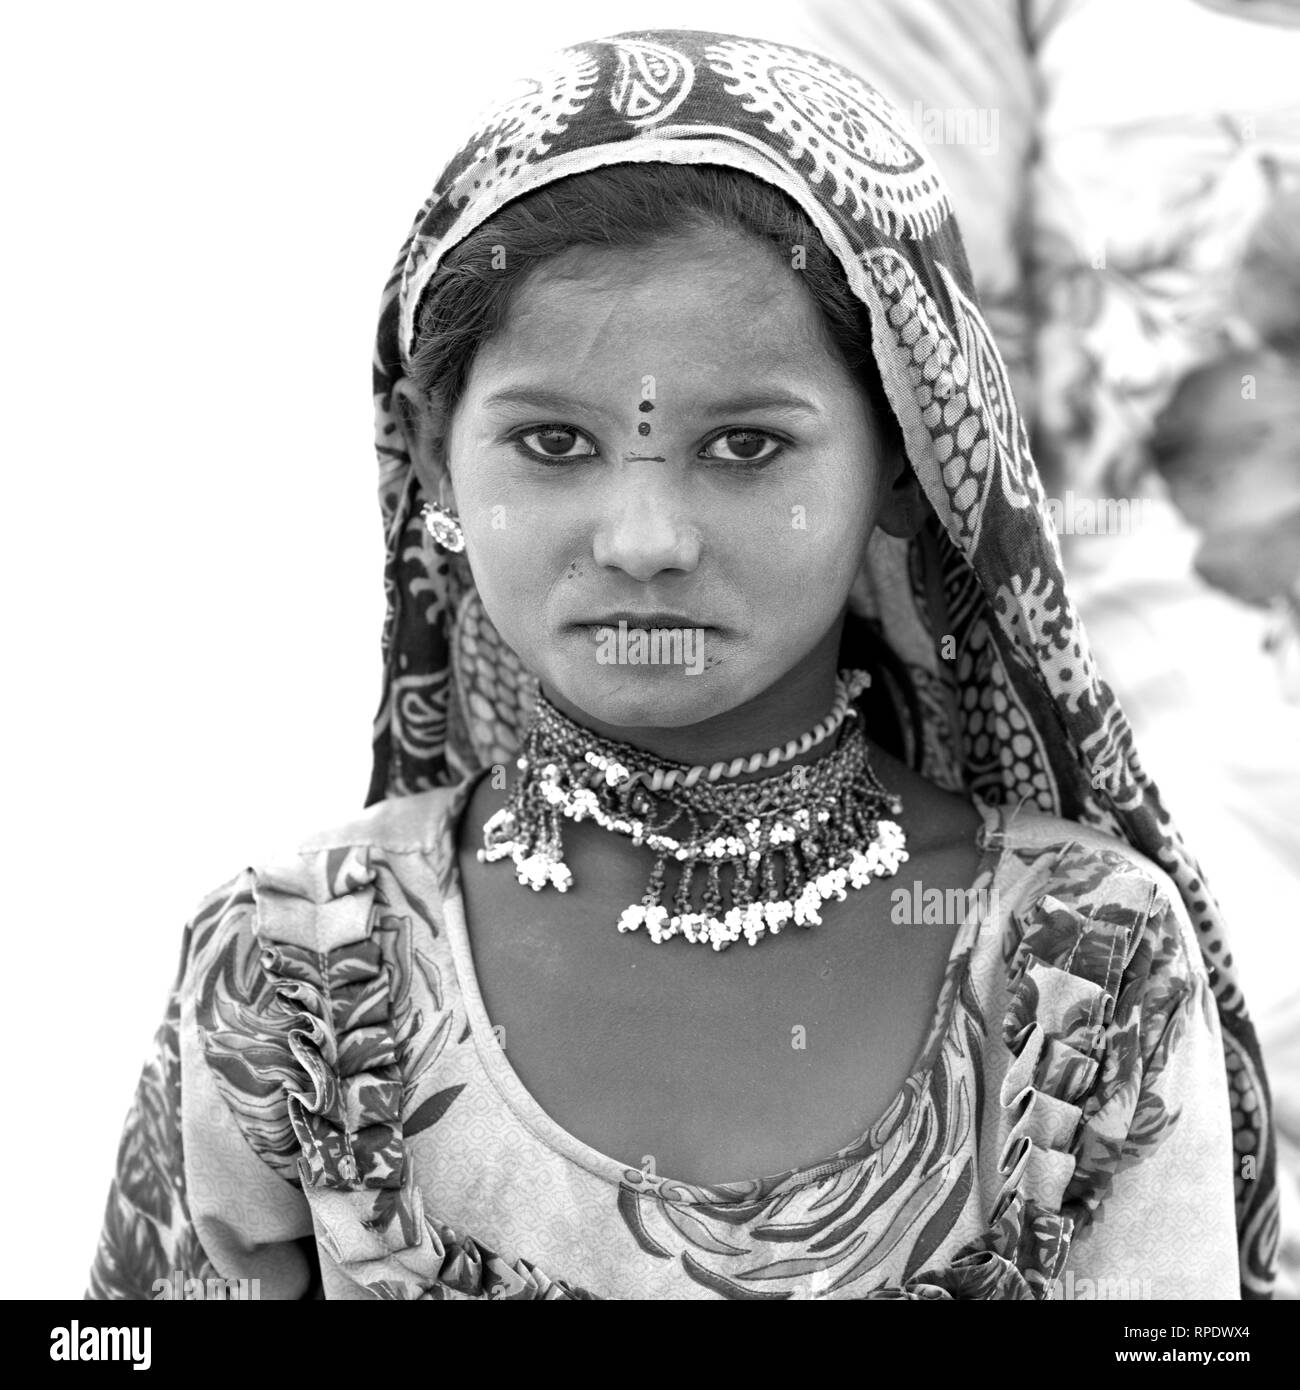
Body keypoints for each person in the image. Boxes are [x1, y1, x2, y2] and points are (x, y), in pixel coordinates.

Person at [87, 29, 1276, 1301]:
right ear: (437, 460)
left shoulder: (1078, 966)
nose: (643, 539)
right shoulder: (298, 972)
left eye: (747, 447)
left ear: (898, 464)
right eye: (551, 441)